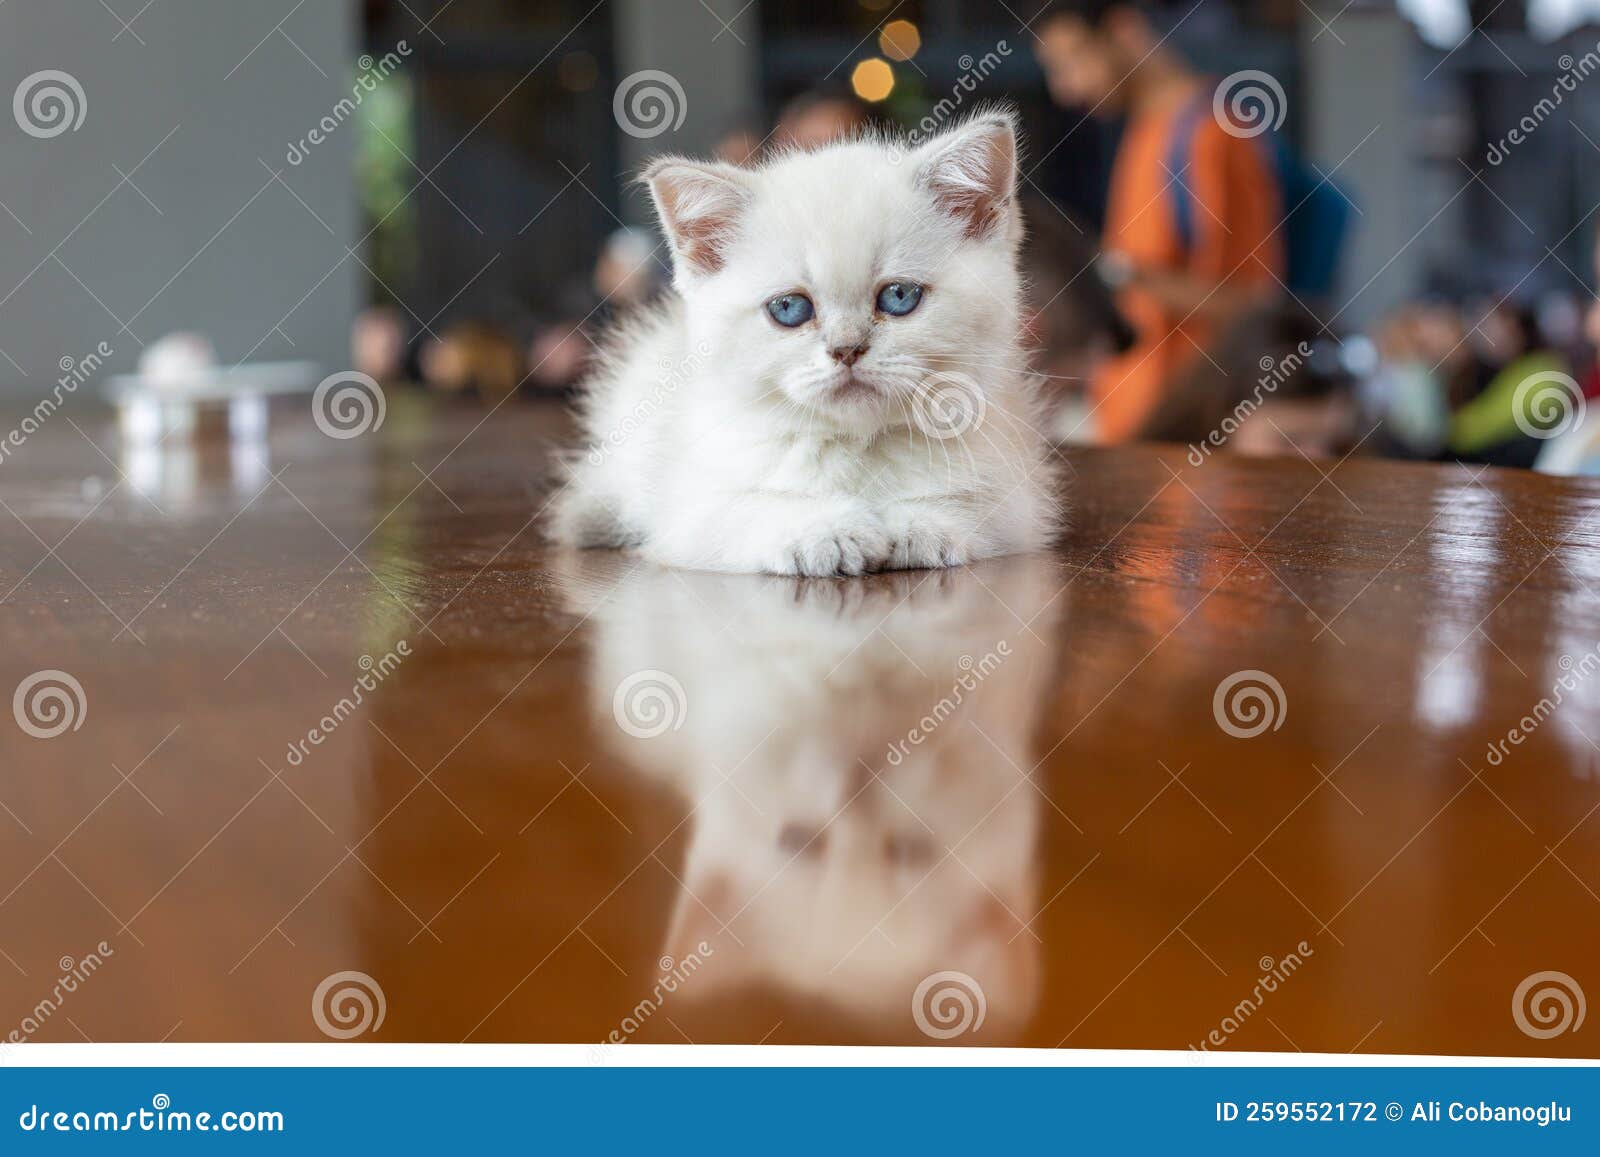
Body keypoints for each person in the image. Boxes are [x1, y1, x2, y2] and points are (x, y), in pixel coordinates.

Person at [1034, 0, 1284, 442]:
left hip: (1189, 436)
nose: (1064, 89)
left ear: (1123, 29)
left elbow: (1254, 306)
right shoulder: (1145, 130)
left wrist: (1114, 272)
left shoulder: (1215, 133)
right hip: (1132, 430)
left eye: (1072, 61)